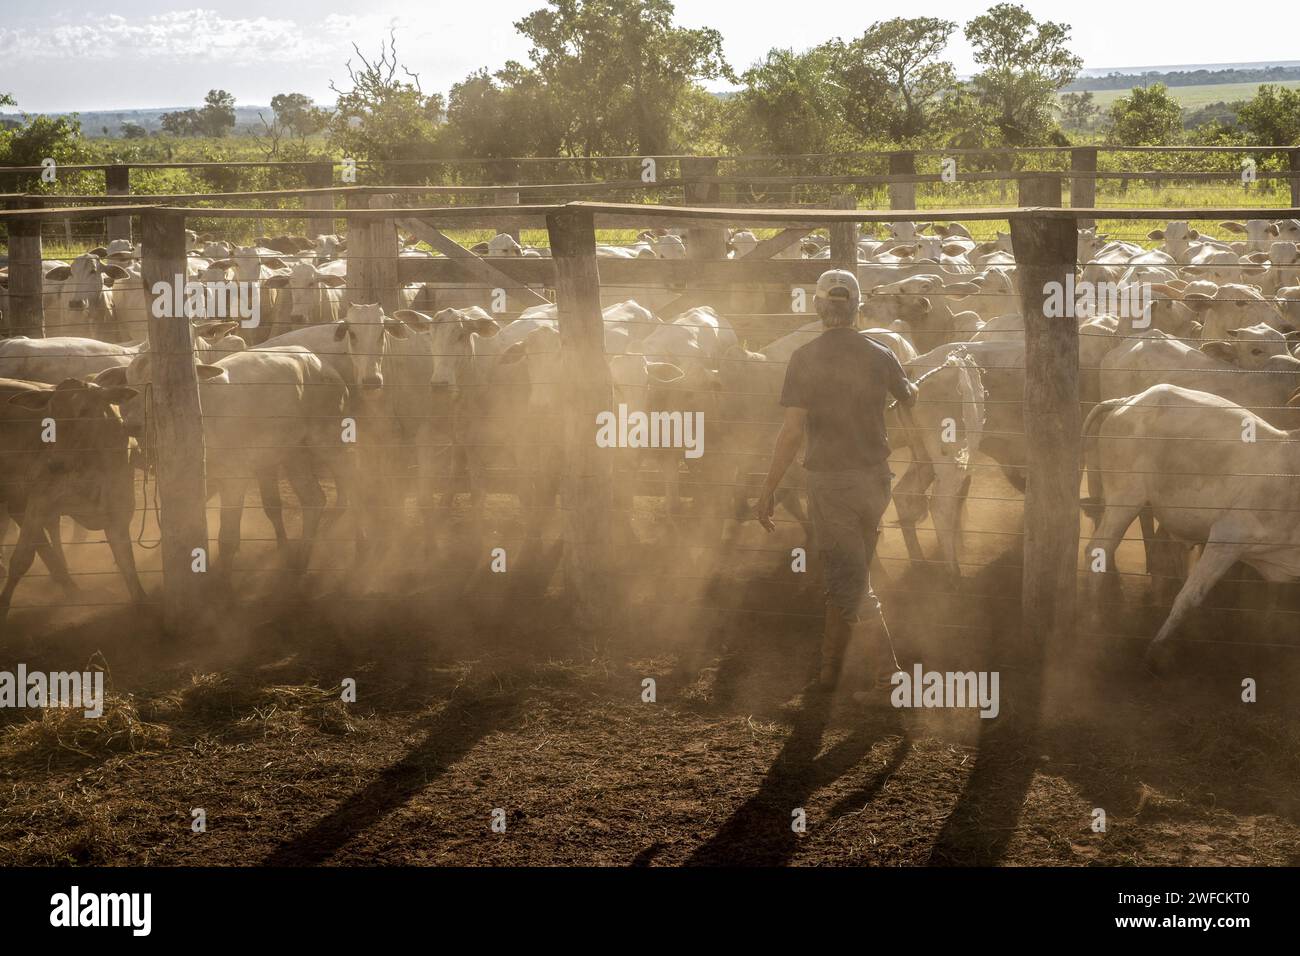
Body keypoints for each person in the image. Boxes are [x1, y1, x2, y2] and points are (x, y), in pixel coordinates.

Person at [756, 268, 917, 691]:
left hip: (831, 483)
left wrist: (769, 488)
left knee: (849, 579)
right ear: (858, 308)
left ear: (817, 306)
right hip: (875, 481)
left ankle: (888, 672)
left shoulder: (805, 358)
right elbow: (909, 395)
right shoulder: (880, 352)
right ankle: (829, 670)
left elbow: (791, 432)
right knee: (850, 572)